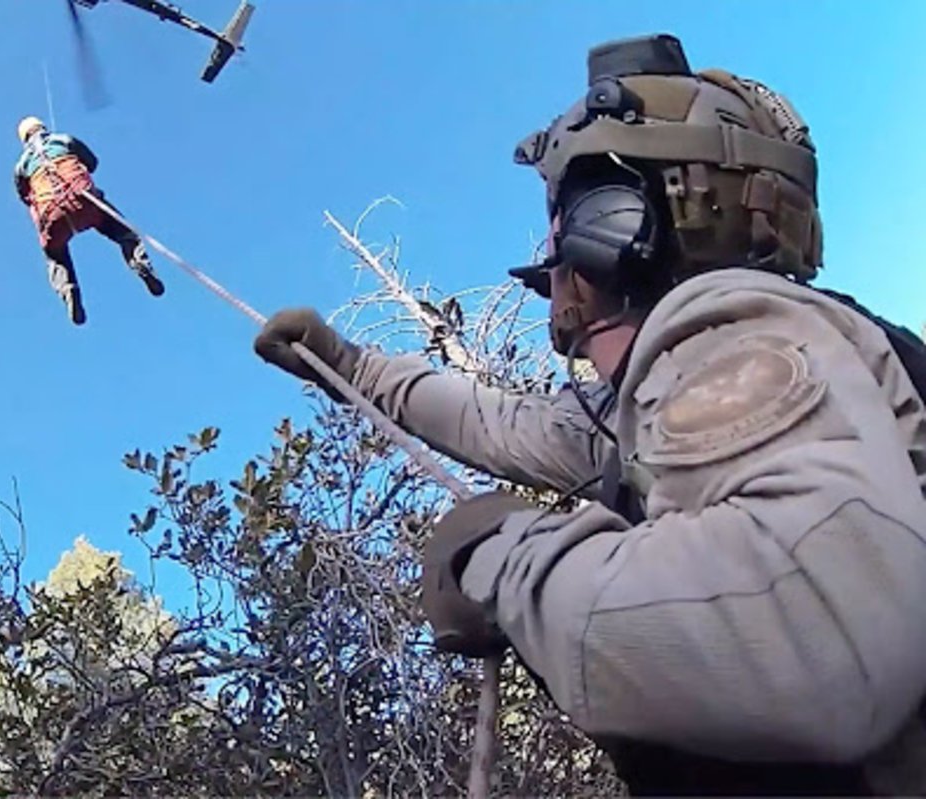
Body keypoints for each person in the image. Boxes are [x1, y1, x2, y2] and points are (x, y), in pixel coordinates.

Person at [252, 33, 926, 796]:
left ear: (619, 227)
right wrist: (351, 366)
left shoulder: (731, 327)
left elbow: (820, 640)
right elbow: (497, 422)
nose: (558, 279)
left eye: (564, 232)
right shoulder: (660, 400)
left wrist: (503, 558)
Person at [13, 116, 164, 326]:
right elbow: (92, 163)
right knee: (124, 232)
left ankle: (68, 291)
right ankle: (141, 265)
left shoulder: (21, 166)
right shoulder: (63, 140)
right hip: (86, 202)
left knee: (55, 256)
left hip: (53, 217)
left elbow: (23, 195)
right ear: (42, 127)